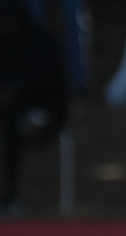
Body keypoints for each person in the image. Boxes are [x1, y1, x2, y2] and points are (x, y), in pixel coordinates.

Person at [0, 0, 68, 217]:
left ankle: (11, 198)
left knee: (13, 129)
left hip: (45, 113)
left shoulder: (41, 43)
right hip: (10, 114)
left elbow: (49, 87)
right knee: (9, 124)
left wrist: (17, 94)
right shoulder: (4, 44)